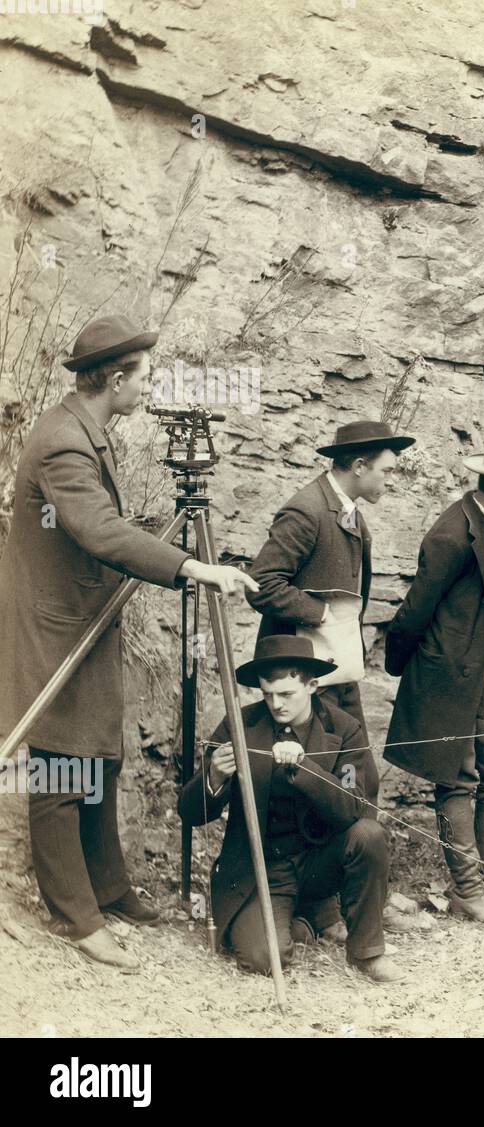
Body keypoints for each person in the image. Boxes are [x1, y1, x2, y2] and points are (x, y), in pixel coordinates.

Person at [0, 314, 257, 969]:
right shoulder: (64, 441)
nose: (149, 389)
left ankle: (107, 886)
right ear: (114, 379)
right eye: (143, 377)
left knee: (100, 753)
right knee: (60, 764)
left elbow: (104, 524)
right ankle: (76, 916)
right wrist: (192, 565)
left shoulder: (90, 429)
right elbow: (99, 532)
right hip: (53, 626)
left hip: (85, 614)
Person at [246, 420, 412, 939]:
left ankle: (345, 895)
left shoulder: (354, 516)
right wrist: (319, 614)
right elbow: (262, 583)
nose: (390, 479)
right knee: (304, 779)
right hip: (299, 676)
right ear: (358, 466)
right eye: (385, 470)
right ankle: (310, 904)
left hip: (337, 669)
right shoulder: (306, 510)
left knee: (355, 777)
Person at [383, 433, 484, 925]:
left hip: (474, 675)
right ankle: (468, 891)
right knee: (457, 780)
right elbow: (417, 607)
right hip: (444, 673)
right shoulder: (452, 533)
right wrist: (404, 666)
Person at [178, 636, 397, 982]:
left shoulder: (344, 729)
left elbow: (356, 810)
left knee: (369, 836)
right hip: (262, 870)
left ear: (312, 685)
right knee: (265, 958)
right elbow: (190, 814)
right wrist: (214, 776)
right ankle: (306, 919)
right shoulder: (241, 725)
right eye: (267, 694)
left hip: (319, 863)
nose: (276, 704)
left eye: (286, 694)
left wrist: (306, 769)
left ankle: (367, 953)